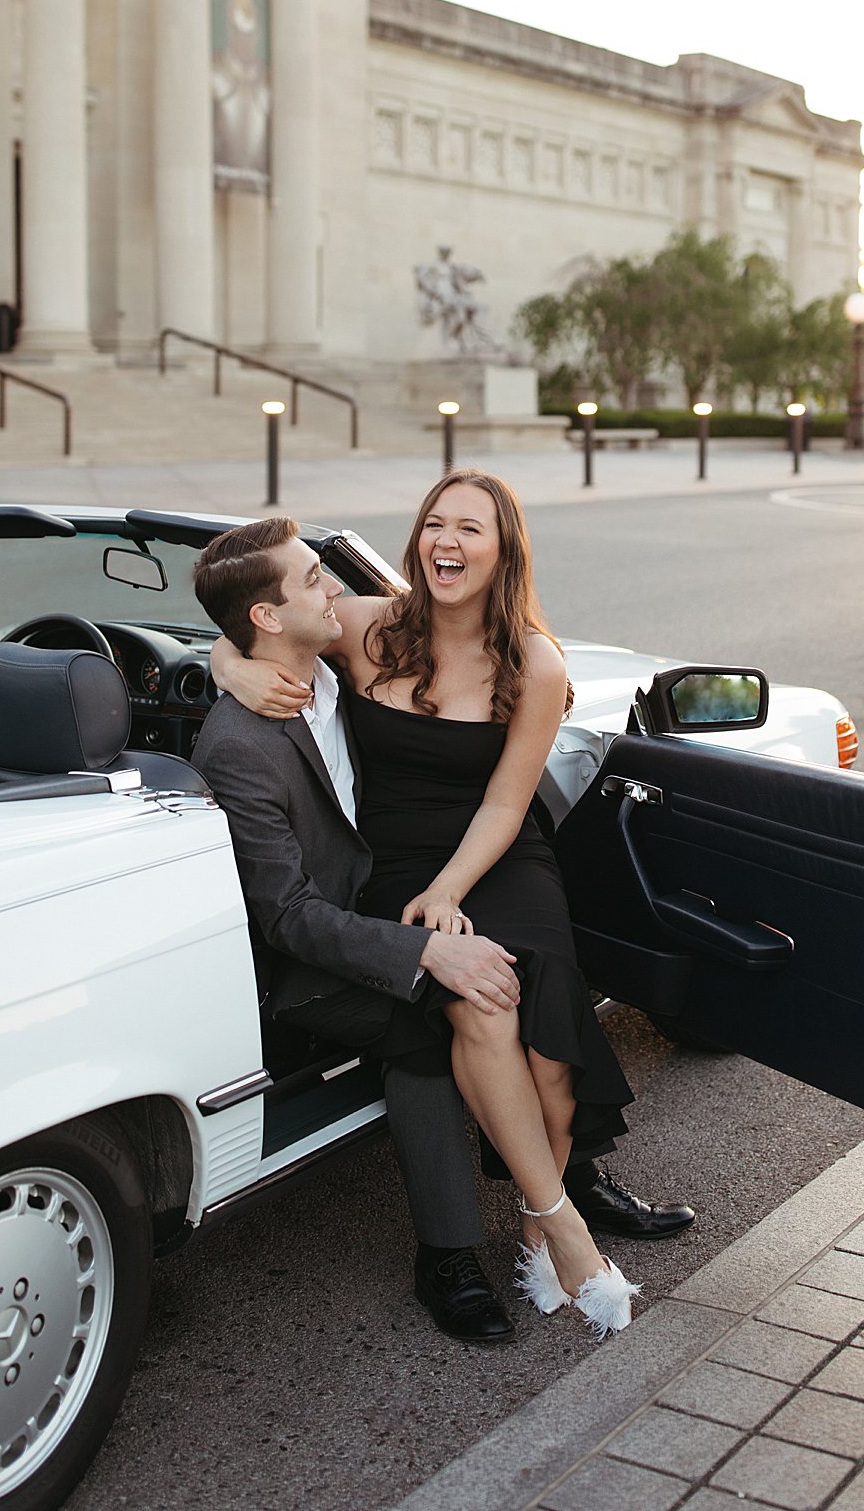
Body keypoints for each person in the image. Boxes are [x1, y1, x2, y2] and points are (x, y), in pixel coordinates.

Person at [208, 474, 694, 1338]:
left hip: (495, 854)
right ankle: (557, 1220)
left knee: (544, 1018)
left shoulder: (534, 663)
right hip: (394, 861)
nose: (448, 541)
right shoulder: (366, 624)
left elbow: (508, 807)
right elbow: (255, 623)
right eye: (435, 523)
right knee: (486, 1003)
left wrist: (450, 890)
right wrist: (231, 668)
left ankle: (558, 1196)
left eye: (470, 528)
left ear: (504, 549)